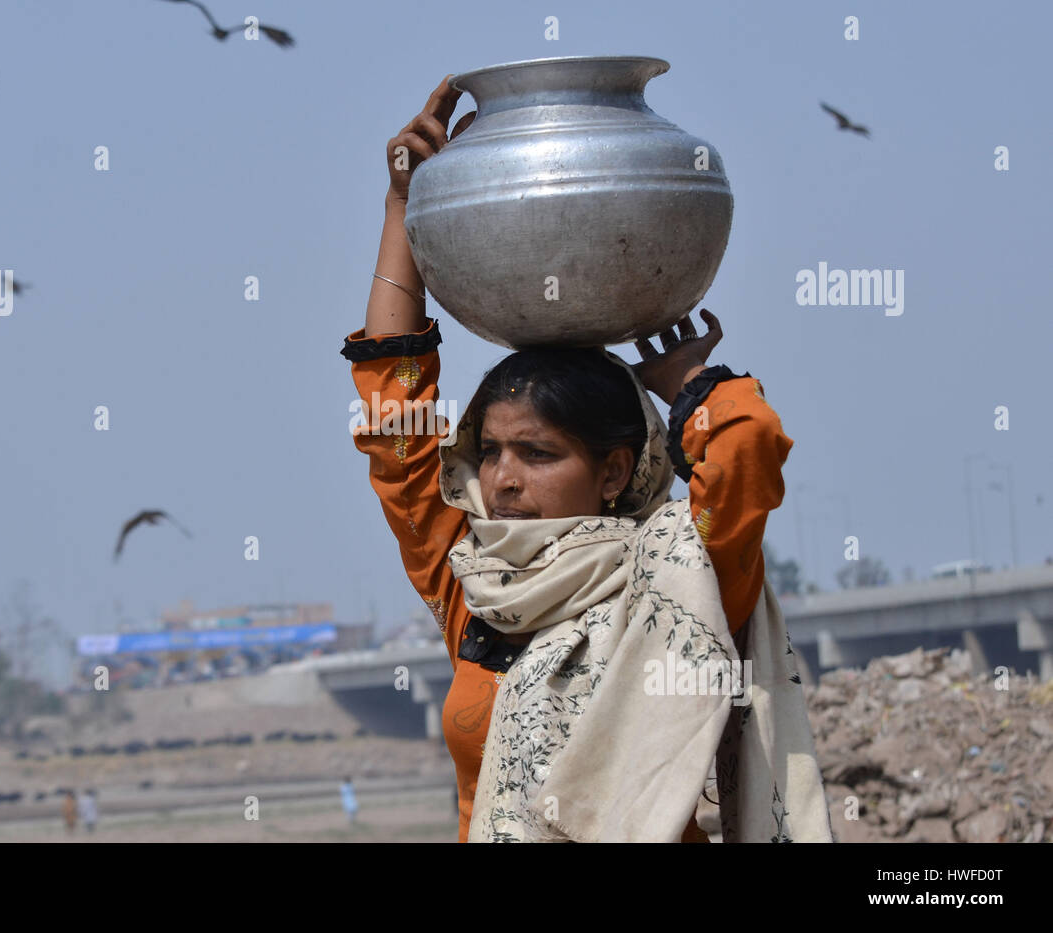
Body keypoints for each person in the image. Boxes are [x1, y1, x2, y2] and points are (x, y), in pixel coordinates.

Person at [342, 75, 832, 843]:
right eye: (492, 449)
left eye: (537, 453)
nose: (503, 479)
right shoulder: (479, 590)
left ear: (612, 470)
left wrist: (690, 384)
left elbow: (746, 448)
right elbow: (396, 429)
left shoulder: (685, 574)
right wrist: (403, 208)